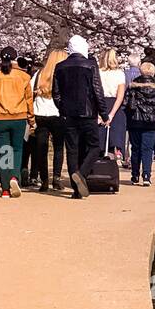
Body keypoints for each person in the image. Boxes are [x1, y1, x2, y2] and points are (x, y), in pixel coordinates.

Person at [53, 35, 112, 198]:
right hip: (88, 113)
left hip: (68, 115)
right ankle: (82, 174)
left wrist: (63, 108)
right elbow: (97, 91)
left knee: (72, 150)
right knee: (94, 147)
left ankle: (76, 189)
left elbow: (55, 94)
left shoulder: (59, 67)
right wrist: (104, 113)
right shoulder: (90, 65)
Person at [0, 46, 35, 198]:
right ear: (15, 58)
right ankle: (14, 177)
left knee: (4, 151)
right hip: (19, 117)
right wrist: (31, 119)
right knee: (17, 149)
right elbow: (29, 100)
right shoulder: (24, 77)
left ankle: (5, 188)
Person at [31, 45, 68, 192]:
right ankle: (57, 178)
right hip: (58, 114)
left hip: (40, 113)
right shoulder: (64, 74)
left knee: (41, 147)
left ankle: (44, 179)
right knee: (59, 147)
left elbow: (29, 90)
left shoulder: (39, 74)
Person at [125, 61, 155, 186]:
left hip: (135, 121)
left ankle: (135, 175)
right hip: (151, 123)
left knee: (136, 148)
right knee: (147, 149)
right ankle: (147, 176)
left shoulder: (133, 86)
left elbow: (127, 104)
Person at [97, 49, 128, 164]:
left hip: (100, 105)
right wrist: (111, 114)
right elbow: (120, 96)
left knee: (99, 140)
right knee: (113, 140)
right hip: (114, 106)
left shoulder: (98, 73)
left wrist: (99, 114)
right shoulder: (119, 74)